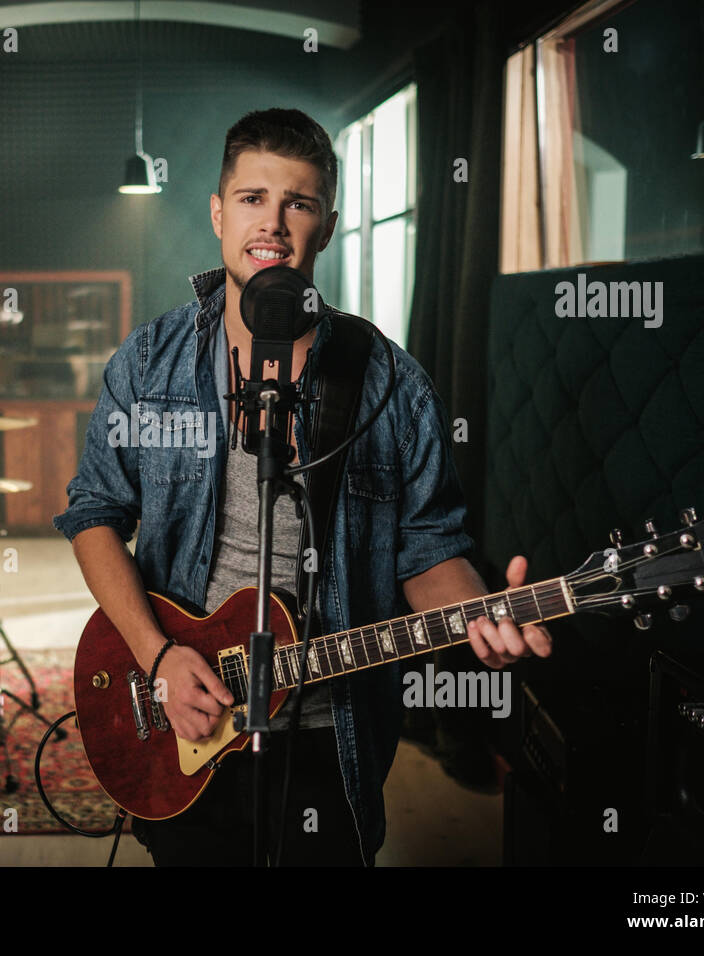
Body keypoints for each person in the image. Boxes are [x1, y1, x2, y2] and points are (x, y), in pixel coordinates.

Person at [53, 108, 553, 866]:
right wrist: (157, 659)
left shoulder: (391, 382)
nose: (274, 223)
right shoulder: (149, 362)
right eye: (253, 197)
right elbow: (94, 514)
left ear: (327, 225)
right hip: (183, 713)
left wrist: (478, 616)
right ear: (219, 212)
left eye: (300, 202)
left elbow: (428, 552)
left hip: (330, 731)